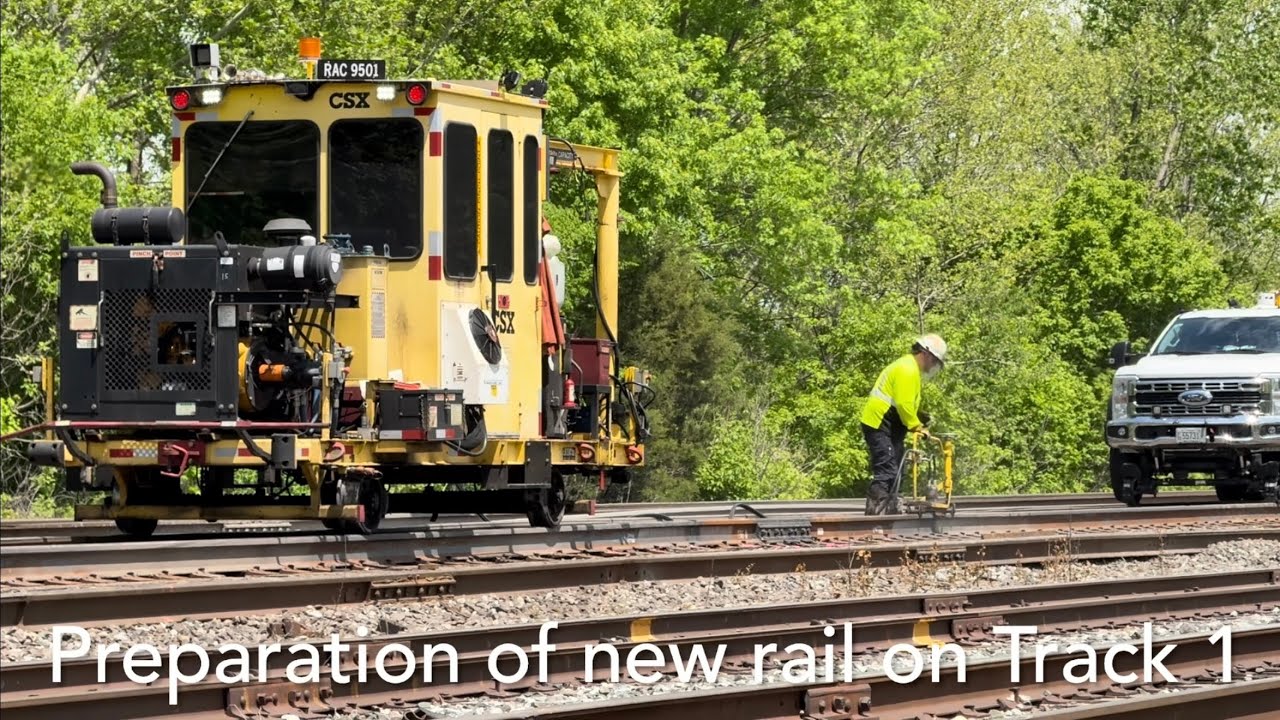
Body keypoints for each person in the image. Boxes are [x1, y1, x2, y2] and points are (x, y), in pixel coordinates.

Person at [859, 334, 947, 515]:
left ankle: (892, 505)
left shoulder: (910, 368)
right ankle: (876, 509)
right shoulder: (907, 369)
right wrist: (916, 426)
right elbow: (904, 404)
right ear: (927, 354)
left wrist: (918, 416)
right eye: (935, 361)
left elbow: (903, 402)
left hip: (890, 422)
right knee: (887, 466)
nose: (933, 366)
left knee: (898, 465)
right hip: (879, 422)